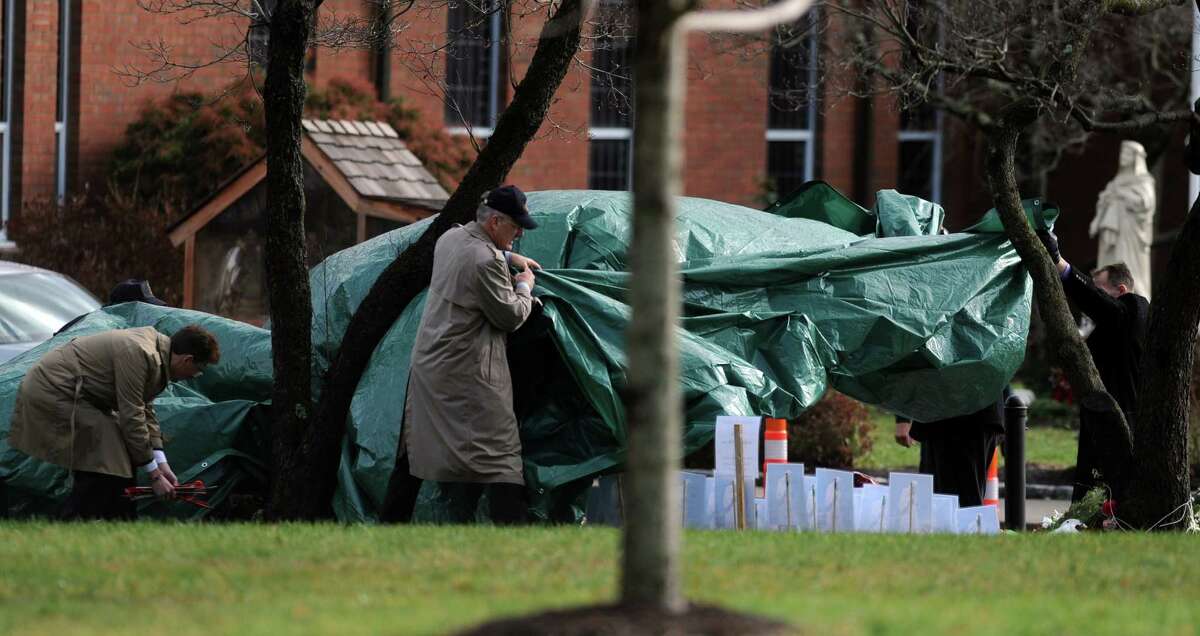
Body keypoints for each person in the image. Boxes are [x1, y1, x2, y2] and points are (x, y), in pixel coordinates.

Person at [383, 185, 541, 524]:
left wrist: (509, 257)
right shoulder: (484, 261)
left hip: (430, 366)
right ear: (496, 222)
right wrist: (525, 284)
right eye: (516, 228)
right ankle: (514, 535)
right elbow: (509, 316)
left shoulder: (449, 239)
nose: (519, 235)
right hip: (468, 374)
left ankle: (388, 524)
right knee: (501, 457)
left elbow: (473, 246)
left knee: (417, 449)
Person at [7, 324, 220, 519]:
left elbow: (145, 410)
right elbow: (132, 415)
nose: (194, 376)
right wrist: (155, 477)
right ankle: (77, 521)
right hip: (54, 389)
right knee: (108, 455)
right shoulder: (140, 352)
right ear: (187, 360)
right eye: (198, 372)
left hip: (80, 396)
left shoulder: (157, 357)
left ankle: (118, 523)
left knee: (117, 457)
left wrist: (162, 466)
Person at [1038, 230, 1149, 500]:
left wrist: (1061, 264)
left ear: (1121, 290)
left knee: (1105, 496)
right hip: (1104, 418)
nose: (1094, 294)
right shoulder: (1116, 324)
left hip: (1120, 419)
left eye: (1099, 288)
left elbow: (1101, 304)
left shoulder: (1134, 307)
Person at [893, 387, 1011, 507]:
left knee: (961, 500)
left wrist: (903, 416)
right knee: (941, 497)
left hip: (963, 410)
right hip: (945, 410)